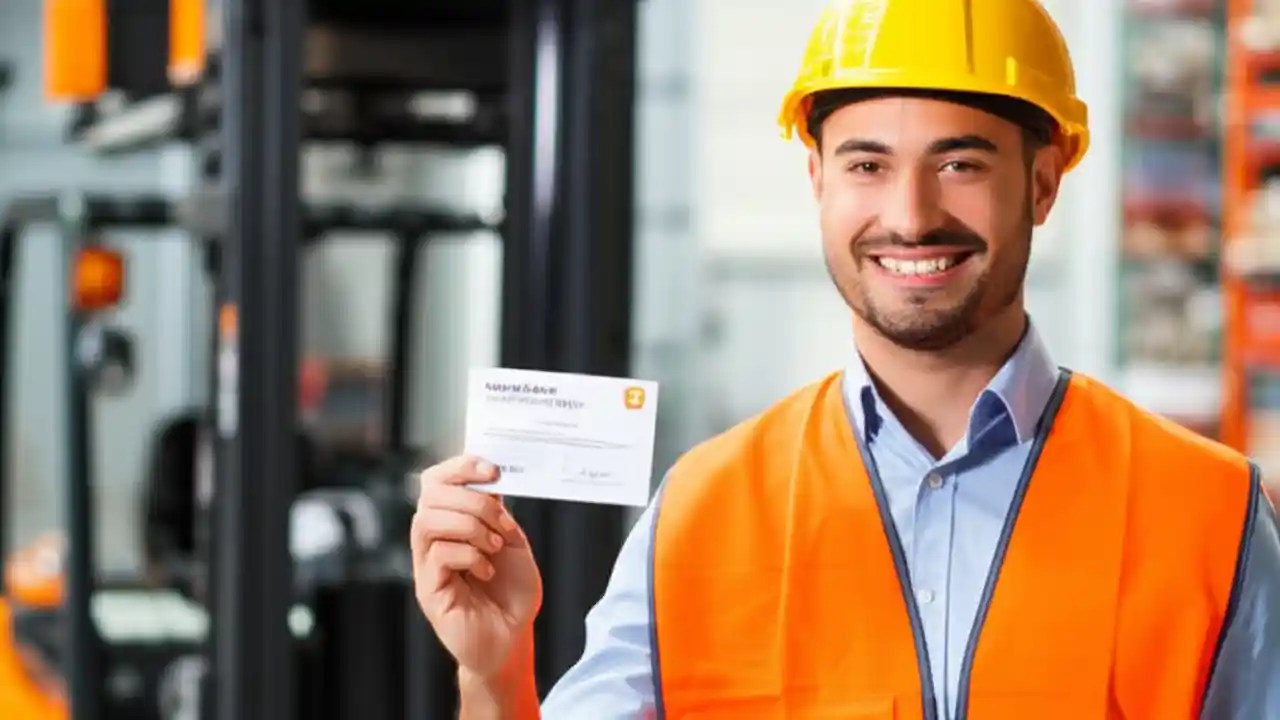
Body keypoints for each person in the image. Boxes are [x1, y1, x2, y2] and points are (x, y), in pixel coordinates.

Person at [410, 0, 1280, 717]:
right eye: (867, 165)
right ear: (818, 180)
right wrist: (495, 673)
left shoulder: (1209, 514)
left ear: (1043, 182)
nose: (910, 215)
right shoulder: (701, 514)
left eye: (960, 163)